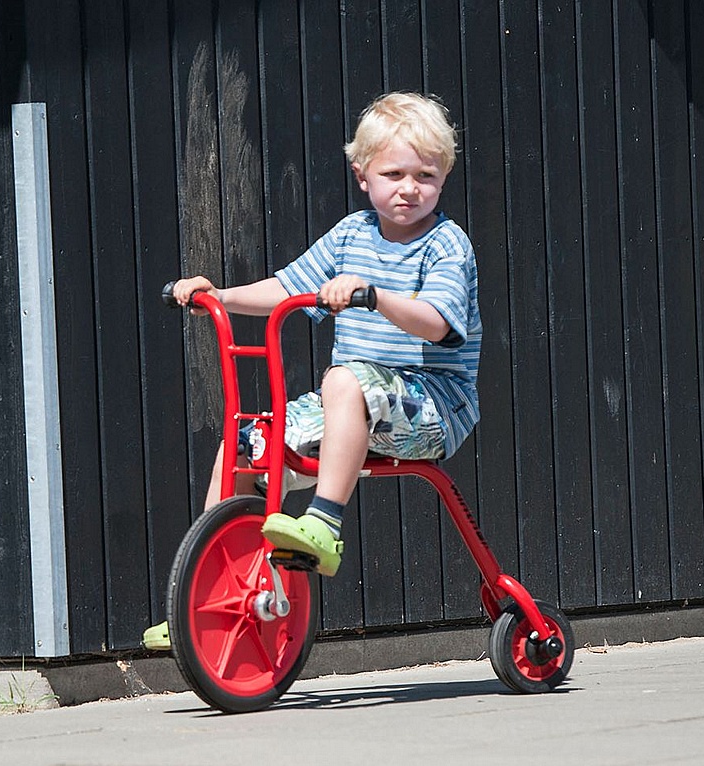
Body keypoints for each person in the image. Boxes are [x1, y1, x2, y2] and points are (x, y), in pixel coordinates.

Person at [143, 91, 481, 649]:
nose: (409, 188)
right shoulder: (351, 234)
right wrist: (217, 295)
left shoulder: (446, 244)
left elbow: (437, 323)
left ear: (443, 176)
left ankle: (323, 523)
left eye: (426, 174)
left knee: (341, 378)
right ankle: (213, 587)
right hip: (353, 402)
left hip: (434, 404)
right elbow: (285, 286)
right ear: (362, 175)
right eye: (393, 172)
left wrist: (375, 296)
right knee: (243, 445)